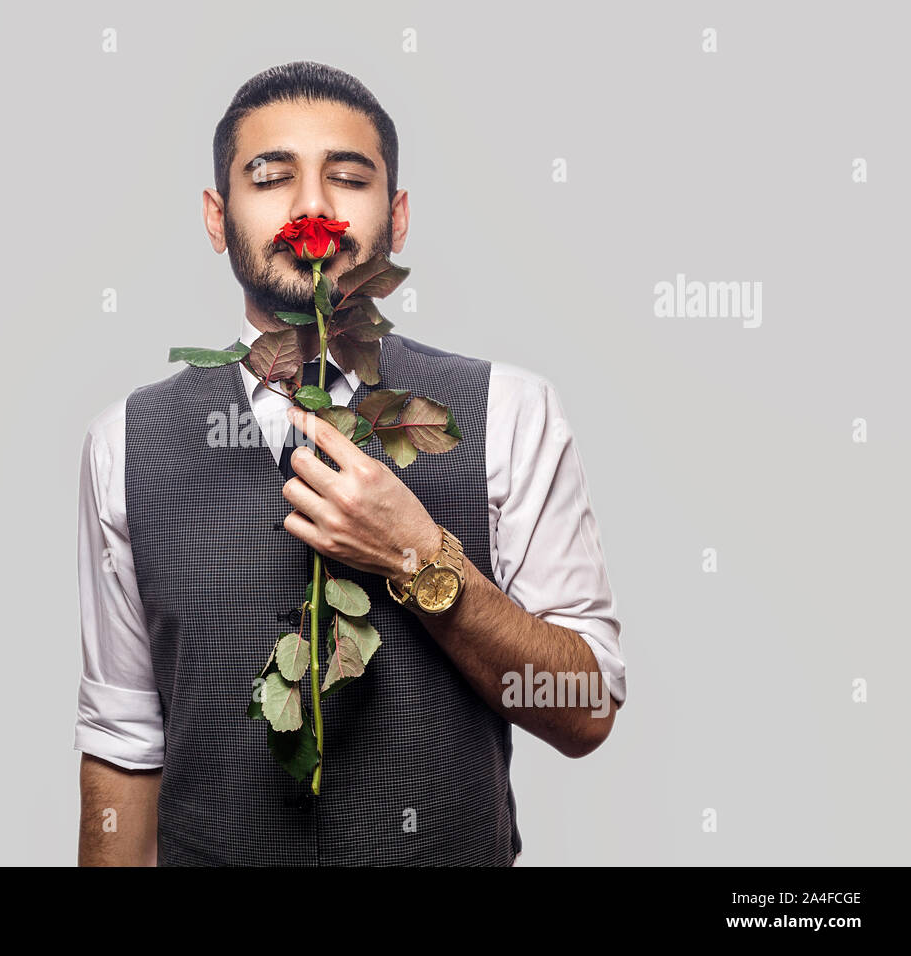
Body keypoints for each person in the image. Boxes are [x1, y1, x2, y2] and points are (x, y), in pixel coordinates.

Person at [74, 61, 626, 866]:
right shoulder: (125, 442)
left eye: (347, 178)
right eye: (271, 178)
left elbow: (585, 710)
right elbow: (123, 741)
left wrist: (420, 558)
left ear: (396, 218)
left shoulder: (511, 413)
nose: (312, 207)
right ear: (216, 215)